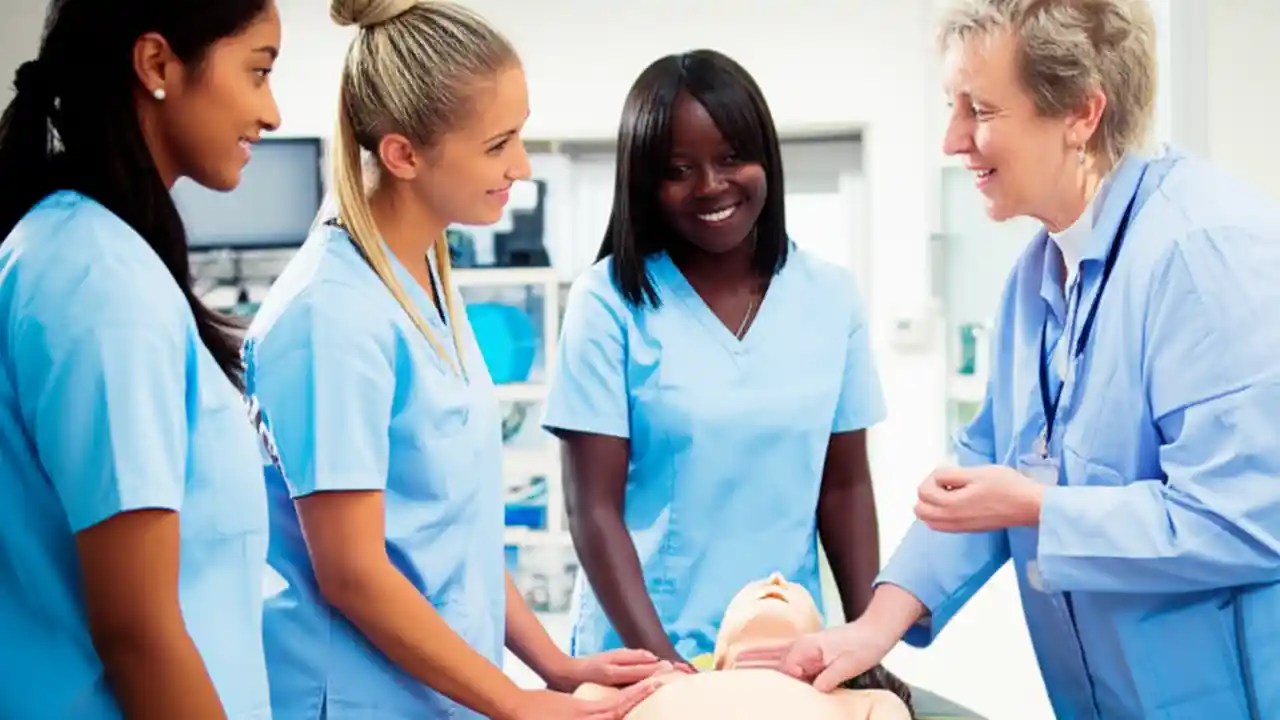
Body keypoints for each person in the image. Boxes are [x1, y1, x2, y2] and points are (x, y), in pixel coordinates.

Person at [747, 1, 1280, 718]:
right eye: (951, 106)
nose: (952, 139)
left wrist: (1041, 508)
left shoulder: (1201, 254)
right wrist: (872, 628)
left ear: (1081, 114)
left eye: (980, 109)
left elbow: (1246, 521)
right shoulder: (1036, 279)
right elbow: (986, 472)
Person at [243, 2, 663, 718]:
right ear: (404, 154)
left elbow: (454, 538)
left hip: (439, 695)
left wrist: (553, 667)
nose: (521, 166)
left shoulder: (426, 276)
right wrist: (515, 702)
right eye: (499, 143)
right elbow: (353, 574)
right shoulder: (329, 315)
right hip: (351, 699)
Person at [542, 48, 887, 671]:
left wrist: (866, 642)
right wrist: (667, 668)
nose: (711, 185)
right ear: (646, 183)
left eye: (732, 157)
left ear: (766, 159)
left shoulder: (830, 296)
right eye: (678, 168)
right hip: (642, 654)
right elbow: (592, 509)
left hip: (786, 649)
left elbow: (845, 488)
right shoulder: (608, 303)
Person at [0, 1, 281, 718]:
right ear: (158, 64)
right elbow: (138, 632)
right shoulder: (98, 279)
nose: (271, 113)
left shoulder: (102, 254)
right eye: (258, 72)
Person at [572, 574, 914, 720]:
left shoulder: (867, 701)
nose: (776, 579)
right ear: (718, 657)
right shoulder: (650, 687)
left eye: (792, 591)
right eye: (753, 591)